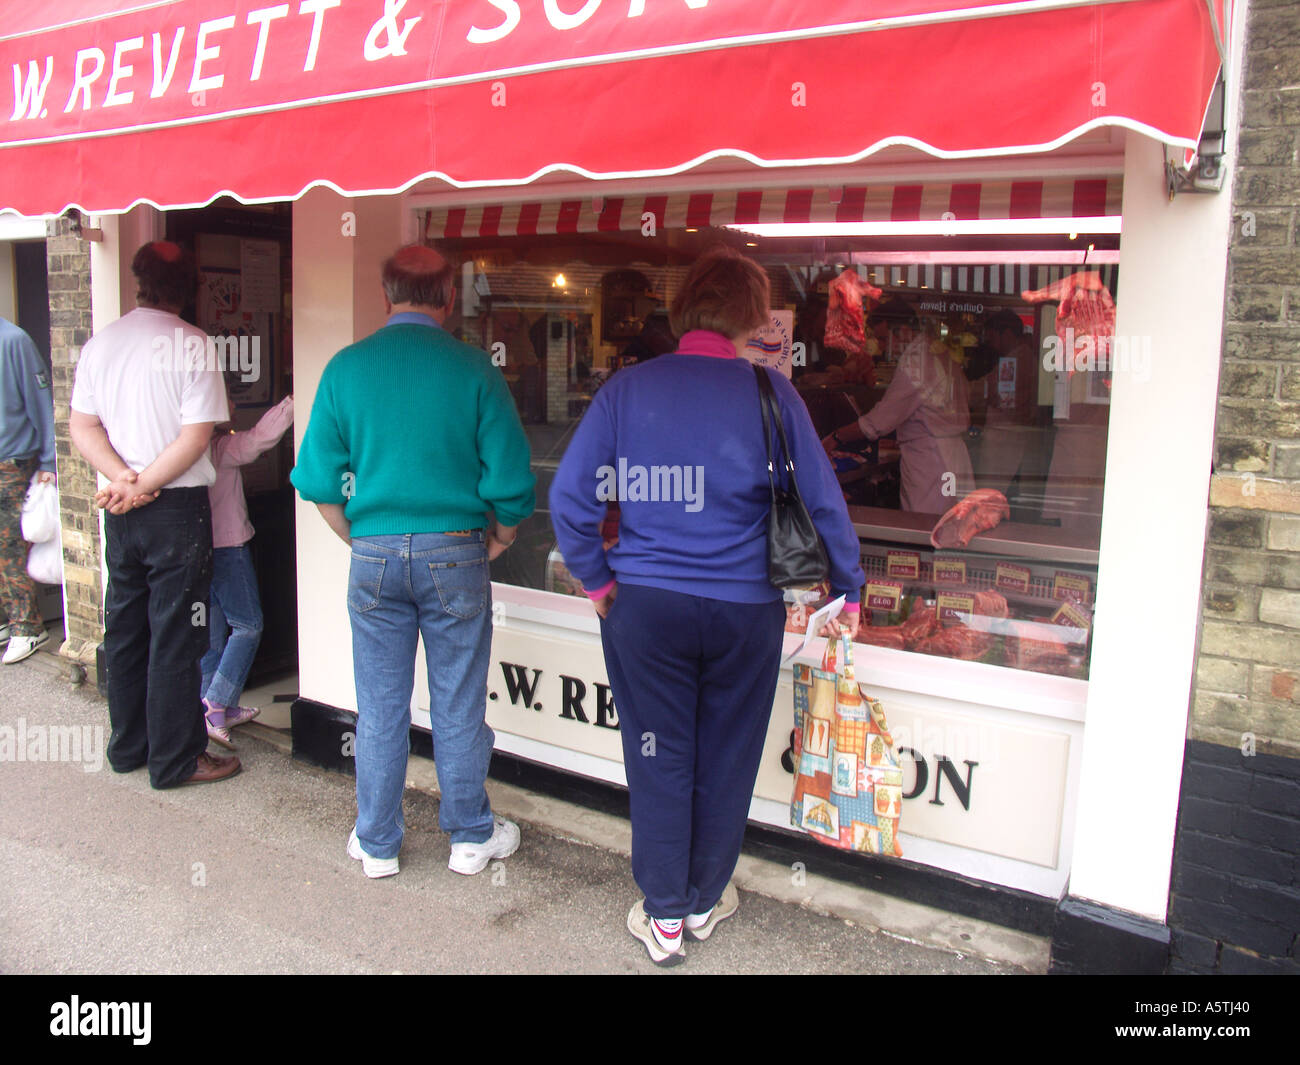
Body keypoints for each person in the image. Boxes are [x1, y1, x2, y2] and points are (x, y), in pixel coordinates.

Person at [549, 246, 865, 966]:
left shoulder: (627, 392)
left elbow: (571, 499)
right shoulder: (772, 394)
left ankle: (662, 915)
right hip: (742, 611)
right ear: (753, 319)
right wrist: (848, 588)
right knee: (726, 754)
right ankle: (700, 899)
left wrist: (599, 583)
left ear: (682, 309)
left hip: (646, 608)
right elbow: (824, 500)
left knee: (657, 753)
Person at [291, 244, 535, 880]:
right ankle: (469, 838)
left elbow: (316, 480)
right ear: (449, 298)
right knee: (456, 703)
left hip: (373, 552)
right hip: (455, 550)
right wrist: (500, 541)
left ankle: (376, 844)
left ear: (384, 294)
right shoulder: (474, 370)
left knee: (379, 706)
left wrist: (363, 539)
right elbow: (511, 481)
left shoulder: (347, 368)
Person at [69, 241, 240, 788]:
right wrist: (140, 483)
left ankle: (128, 748)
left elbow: (82, 427)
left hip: (120, 509)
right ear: (190, 285)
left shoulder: (103, 342)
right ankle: (176, 760)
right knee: (177, 634)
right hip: (174, 510)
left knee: (124, 627)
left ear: (139, 281)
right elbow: (195, 440)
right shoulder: (194, 345)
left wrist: (122, 481)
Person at [200, 391, 295, 747]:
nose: (234, 407)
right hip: (228, 548)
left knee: (213, 631)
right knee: (248, 626)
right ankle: (218, 703)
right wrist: (291, 403)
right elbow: (258, 441)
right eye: (227, 403)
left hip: (201, 549)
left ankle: (213, 704)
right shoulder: (221, 448)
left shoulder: (191, 449)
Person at [823, 310, 974, 515]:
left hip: (930, 463)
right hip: (954, 457)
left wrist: (836, 437)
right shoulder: (937, 350)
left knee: (924, 532)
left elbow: (877, 422)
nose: (883, 347)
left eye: (884, 339)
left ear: (903, 332)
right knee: (956, 525)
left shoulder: (915, 361)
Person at [0, 316, 56, 663]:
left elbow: (42, 402)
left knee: (9, 547)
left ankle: (28, 626)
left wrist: (50, 461)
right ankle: (9, 618)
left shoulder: (14, 341)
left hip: (12, 462)